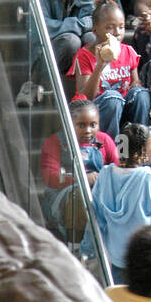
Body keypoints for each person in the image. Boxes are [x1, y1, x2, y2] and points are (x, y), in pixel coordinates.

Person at [80, 123, 151, 281]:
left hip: (115, 257)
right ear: (143, 152)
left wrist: (86, 249)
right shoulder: (148, 179)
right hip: (143, 258)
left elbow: (95, 216)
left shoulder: (105, 174)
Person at [21, 0, 104, 104]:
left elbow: (98, 23)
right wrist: (76, 25)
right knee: (70, 40)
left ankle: (90, 93)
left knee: (91, 39)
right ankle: (35, 84)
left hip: (80, 46)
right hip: (54, 47)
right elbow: (41, 25)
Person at [40, 97, 119, 242]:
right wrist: (82, 179)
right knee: (80, 195)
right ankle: (77, 242)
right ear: (69, 124)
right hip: (63, 197)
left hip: (98, 194)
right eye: (81, 125)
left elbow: (118, 169)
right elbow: (50, 178)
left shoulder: (104, 140)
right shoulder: (55, 142)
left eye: (93, 125)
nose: (88, 131)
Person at [70, 0, 148, 136]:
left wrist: (137, 85)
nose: (117, 32)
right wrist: (100, 65)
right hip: (96, 110)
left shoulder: (129, 51)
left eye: (121, 27)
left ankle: (139, 143)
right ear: (95, 30)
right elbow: (85, 96)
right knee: (112, 98)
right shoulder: (84, 55)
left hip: (122, 107)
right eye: (110, 28)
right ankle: (109, 147)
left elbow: (134, 83)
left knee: (141, 94)